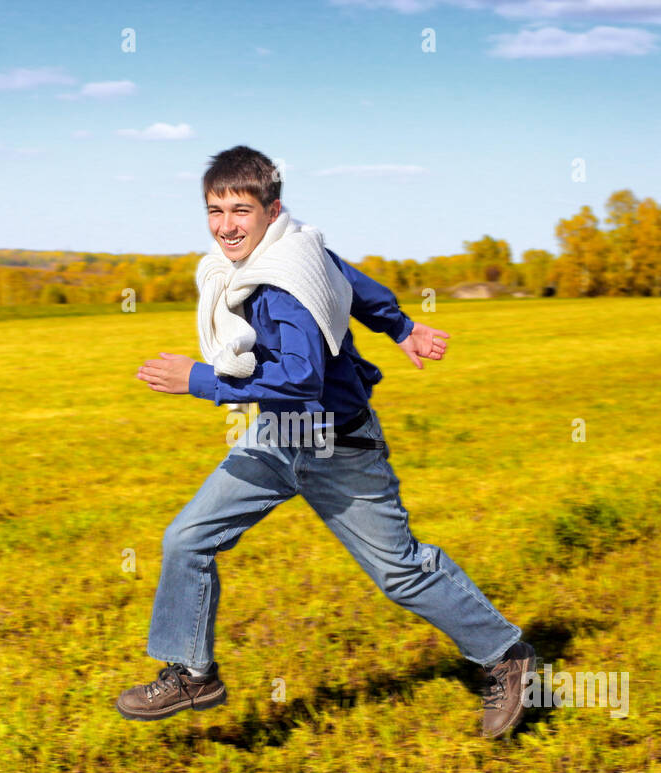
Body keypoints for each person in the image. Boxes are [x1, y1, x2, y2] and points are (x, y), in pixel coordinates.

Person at [117, 145, 534, 738]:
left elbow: (300, 377)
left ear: (271, 209)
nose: (227, 225)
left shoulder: (282, 280)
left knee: (401, 572)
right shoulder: (287, 253)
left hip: (337, 443)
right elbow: (350, 279)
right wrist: (402, 326)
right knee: (187, 538)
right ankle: (191, 671)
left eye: (241, 209)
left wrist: (200, 380)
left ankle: (507, 655)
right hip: (277, 435)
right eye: (215, 210)